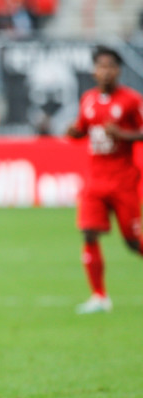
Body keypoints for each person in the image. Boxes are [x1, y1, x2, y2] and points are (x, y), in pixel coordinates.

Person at [66, 45, 143, 314]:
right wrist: (74, 132)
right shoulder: (87, 99)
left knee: (134, 243)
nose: (105, 71)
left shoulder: (131, 100)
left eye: (110, 66)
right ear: (94, 70)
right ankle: (99, 296)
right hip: (95, 181)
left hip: (123, 181)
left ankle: (100, 295)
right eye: (101, 66)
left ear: (118, 70)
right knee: (88, 233)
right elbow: (82, 130)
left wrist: (122, 134)